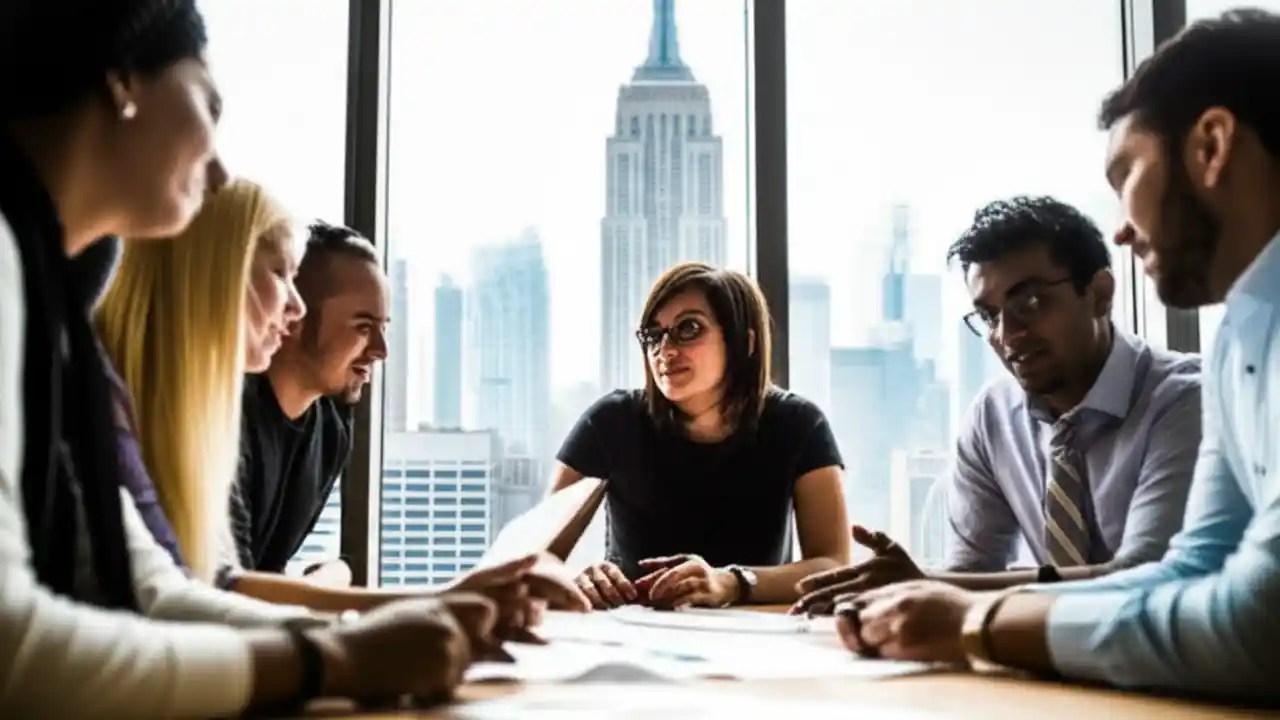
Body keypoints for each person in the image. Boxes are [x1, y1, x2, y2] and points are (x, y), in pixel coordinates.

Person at [0, 2, 498, 715]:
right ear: (122, 79)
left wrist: (376, 633)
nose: (220, 166)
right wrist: (328, 656)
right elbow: (14, 655)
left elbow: (154, 594)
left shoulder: (61, 330)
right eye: (208, 101)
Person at [834, 10, 1280, 703]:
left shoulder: (1193, 385)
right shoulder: (1239, 342)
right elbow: (1194, 567)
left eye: (1127, 172)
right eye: (988, 315)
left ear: (1212, 146)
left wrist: (981, 623)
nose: (1124, 228)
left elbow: (1259, 627)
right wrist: (954, 603)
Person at [794, 197, 1201, 614]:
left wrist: (930, 584)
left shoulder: (1183, 401)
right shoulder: (993, 418)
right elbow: (970, 573)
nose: (1007, 335)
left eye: (1030, 303)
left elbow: (1146, 578)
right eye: (989, 316)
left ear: (1099, 294)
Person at [554, 262, 851, 609]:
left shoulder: (798, 423)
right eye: (653, 334)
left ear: (744, 341)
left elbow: (834, 566)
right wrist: (580, 579)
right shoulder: (610, 421)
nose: (664, 350)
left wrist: (732, 582)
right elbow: (535, 559)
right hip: (631, 637)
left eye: (688, 329)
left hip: (751, 641)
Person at [234, 220, 386, 577]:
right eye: (363, 327)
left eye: (384, 327)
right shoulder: (225, 419)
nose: (381, 350)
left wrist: (335, 575)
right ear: (295, 314)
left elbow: (266, 573)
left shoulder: (331, 431)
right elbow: (230, 589)